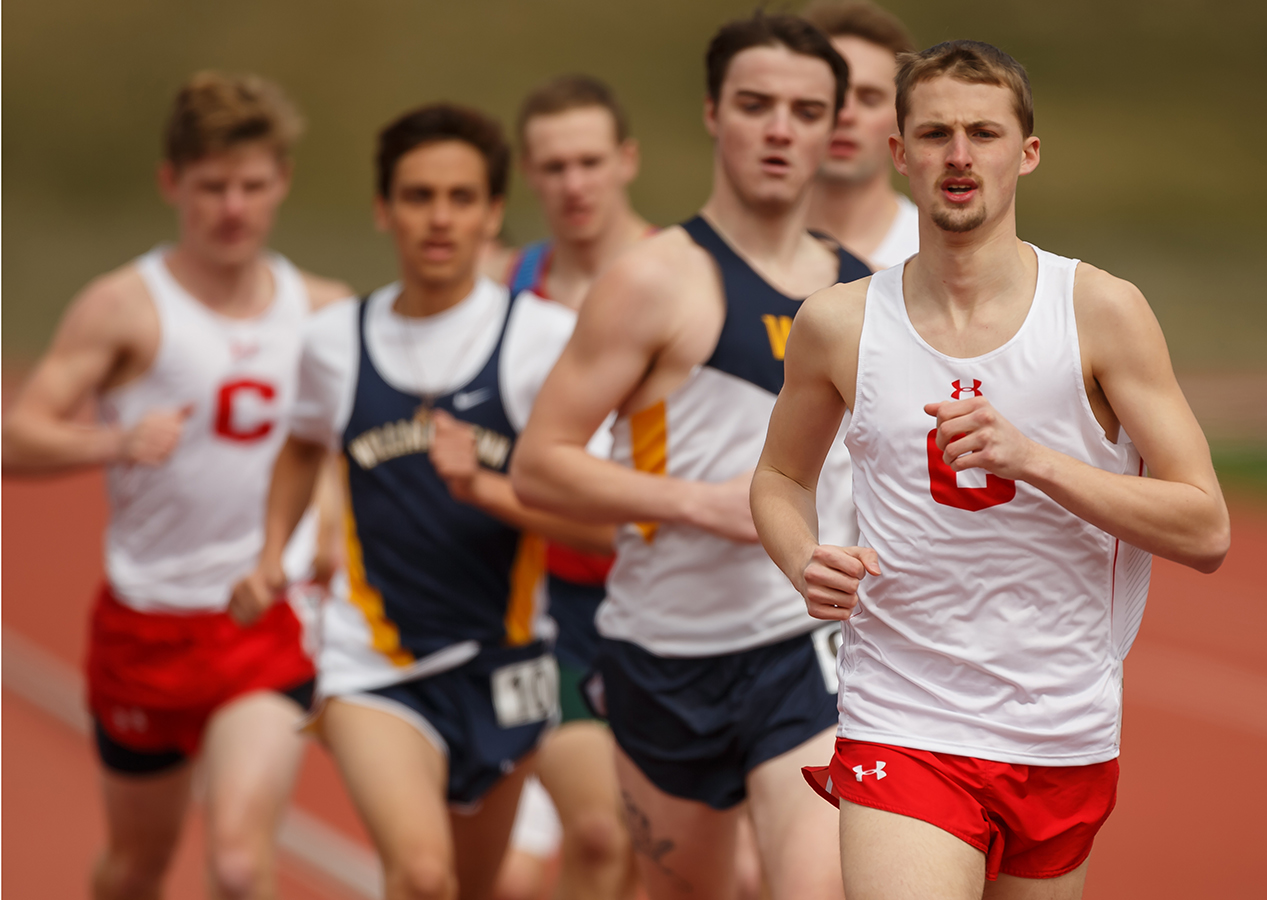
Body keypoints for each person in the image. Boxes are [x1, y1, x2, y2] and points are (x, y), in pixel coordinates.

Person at [749, 41, 1231, 900]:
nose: (960, 156)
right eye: (934, 133)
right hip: (903, 714)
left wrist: (1035, 461)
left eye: (984, 132)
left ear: (1027, 152)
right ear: (899, 153)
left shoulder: (1099, 313)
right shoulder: (840, 323)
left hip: (1062, 724)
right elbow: (781, 478)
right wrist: (801, 558)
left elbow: (1205, 527)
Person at [510, 13, 868, 900]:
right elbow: (539, 463)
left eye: (805, 110)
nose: (780, 129)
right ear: (714, 113)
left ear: (833, 127)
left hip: (806, 648)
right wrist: (699, 504)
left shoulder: (869, 292)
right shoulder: (654, 279)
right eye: (755, 105)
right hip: (665, 654)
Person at [231, 102, 611, 900]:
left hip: (506, 662)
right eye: (417, 196)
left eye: (462, 198)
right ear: (383, 209)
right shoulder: (334, 341)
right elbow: (302, 444)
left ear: (493, 212)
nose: (440, 219)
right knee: (422, 875)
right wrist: (272, 553)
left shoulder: (540, 341)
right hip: (373, 664)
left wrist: (487, 489)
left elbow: (603, 527)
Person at [0, 72, 348, 900]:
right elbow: (15, 436)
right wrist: (113, 439)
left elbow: (341, 443)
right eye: (212, 187)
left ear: (281, 184)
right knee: (136, 870)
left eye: (253, 186)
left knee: (236, 862)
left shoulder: (323, 311)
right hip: (147, 629)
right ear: (172, 184)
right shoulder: (125, 307)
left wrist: (330, 519)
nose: (233, 208)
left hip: (265, 621)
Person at [493, 74, 650, 900]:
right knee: (594, 830)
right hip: (545, 606)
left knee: (649, 847)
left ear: (627, 160)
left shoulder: (685, 279)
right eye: (554, 167)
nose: (574, 184)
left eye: (590, 161)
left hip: (662, 595)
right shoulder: (502, 293)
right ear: (528, 173)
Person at [802, 0, 919, 270]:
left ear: (903, 117)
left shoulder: (937, 258)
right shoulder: (732, 252)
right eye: (828, 94)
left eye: (869, 98)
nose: (845, 115)